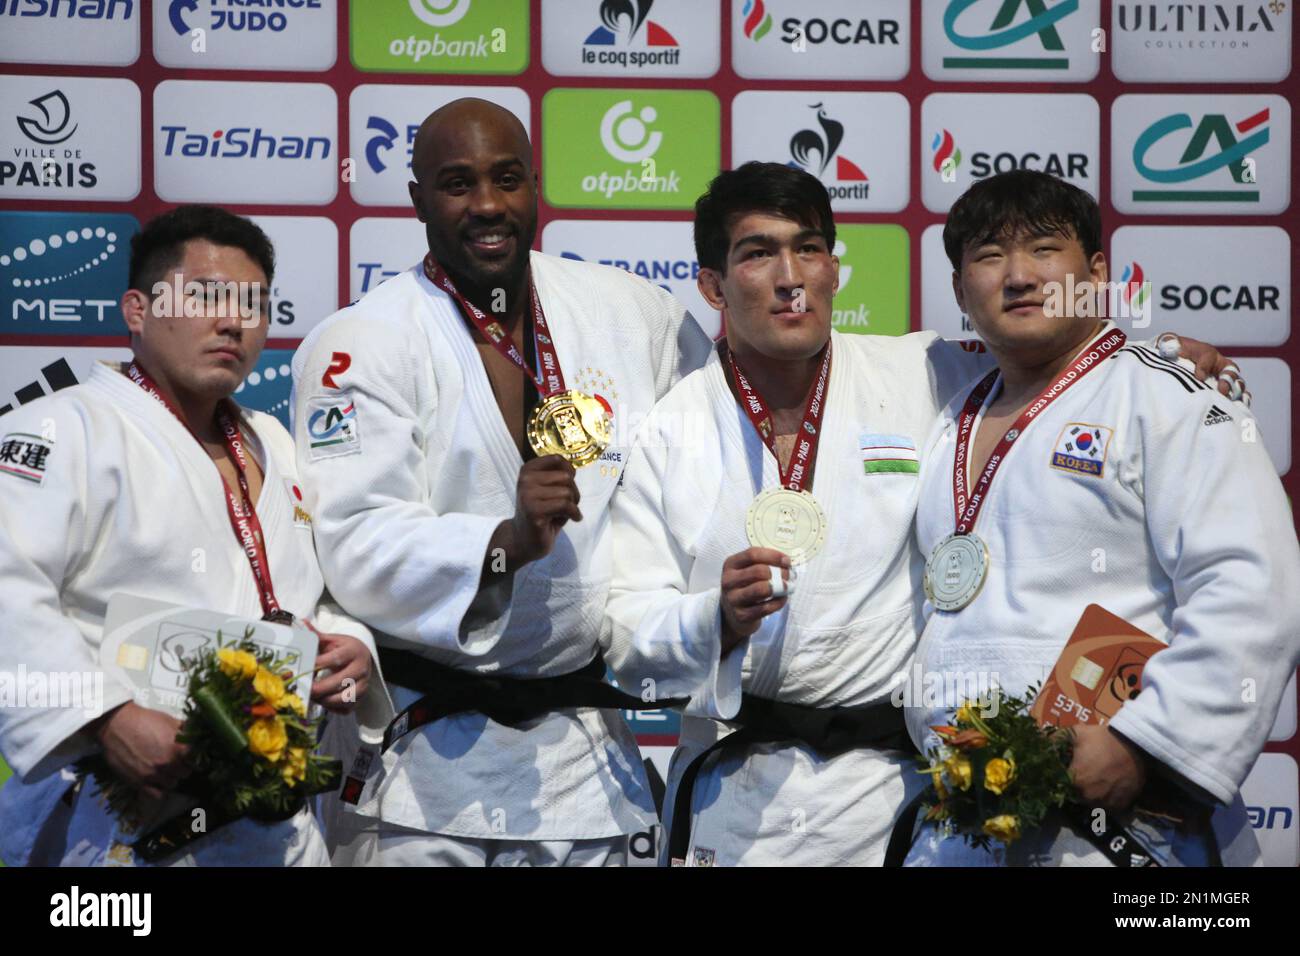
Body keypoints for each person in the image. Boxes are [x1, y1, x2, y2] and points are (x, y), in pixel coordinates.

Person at [602, 162, 1248, 867]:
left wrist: (1168, 361)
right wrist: (716, 620)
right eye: (758, 254)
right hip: (734, 798)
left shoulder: (927, 372)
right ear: (712, 286)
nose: (791, 278)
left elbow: (1062, 359)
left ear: (834, 269)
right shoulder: (671, 430)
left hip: (893, 798)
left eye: (809, 249)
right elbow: (626, 638)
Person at [291, 97, 712, 866]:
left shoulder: (631, 314)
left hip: (587, 761)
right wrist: (502, 543)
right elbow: (351, 541)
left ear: (536, 186)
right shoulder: (361, 343)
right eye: (458, 184)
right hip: (427, 766)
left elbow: (706, 451)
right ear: (417, 199)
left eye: (507, 179)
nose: (487, 205)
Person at [900, 169, 1299, 866]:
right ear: (960, 291)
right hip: (964, 816)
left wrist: (1144, 746)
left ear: (1096, 273)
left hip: (1128, 820)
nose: (1019, 276)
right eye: (990, 256)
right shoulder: (945, 418)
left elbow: (1251, 586)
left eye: (1044, 250)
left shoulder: (1169, 398)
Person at [0, 205, 380, 867]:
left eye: (254, 305)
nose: (234, 321)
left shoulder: (275, 443)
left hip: (276, 821)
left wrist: (350, 644)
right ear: (137, 310)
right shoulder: (59, 429)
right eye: (205, 297)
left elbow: (315, 589)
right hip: (121, 813)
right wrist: (105, 716)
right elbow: (8, 590)